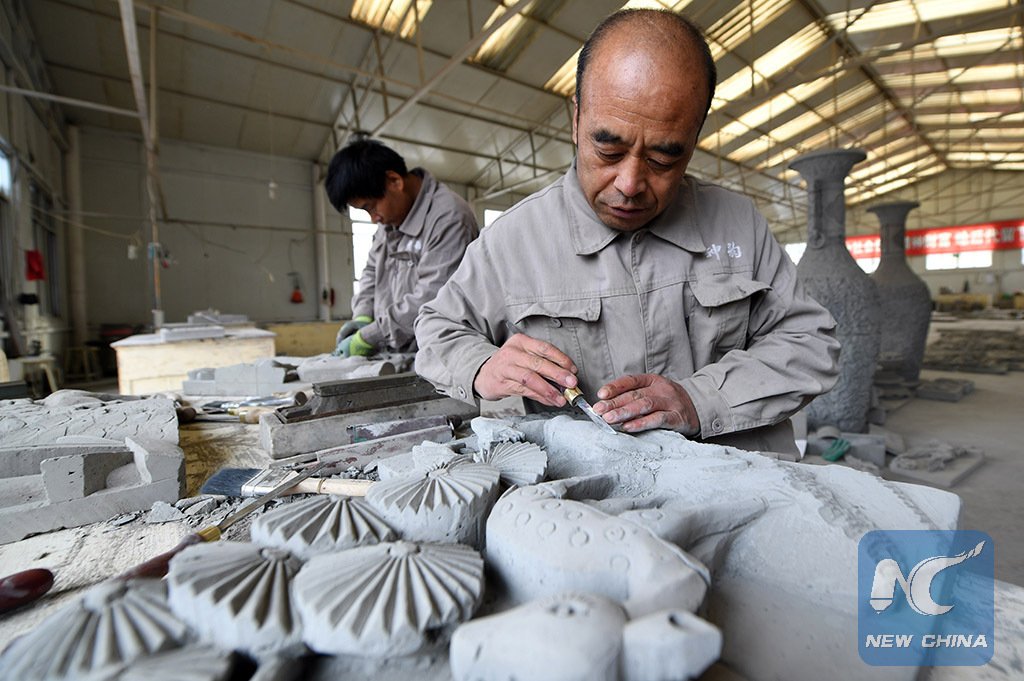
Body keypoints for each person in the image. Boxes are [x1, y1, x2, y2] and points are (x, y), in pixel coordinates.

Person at [413, 9, 840, 455]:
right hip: (592, 493)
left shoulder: (738, 226)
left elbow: (811, 344)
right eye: (609, 150)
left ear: (694, 138)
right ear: (576, 119)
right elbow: (439, 329)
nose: (630, 184)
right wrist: (482, 364)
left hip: (740, 480)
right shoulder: (512, 241)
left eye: (662, 159)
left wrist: (700, 400)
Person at [325, 138, 479, 357]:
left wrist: (370, 336)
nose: (373, 219)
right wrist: (362, 316)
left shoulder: (448, 218)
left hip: (437, 354)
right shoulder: (390, 221)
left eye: (370, 207)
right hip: (396, 350)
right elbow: (371, 271)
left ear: (394, 181)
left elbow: (431, 298)